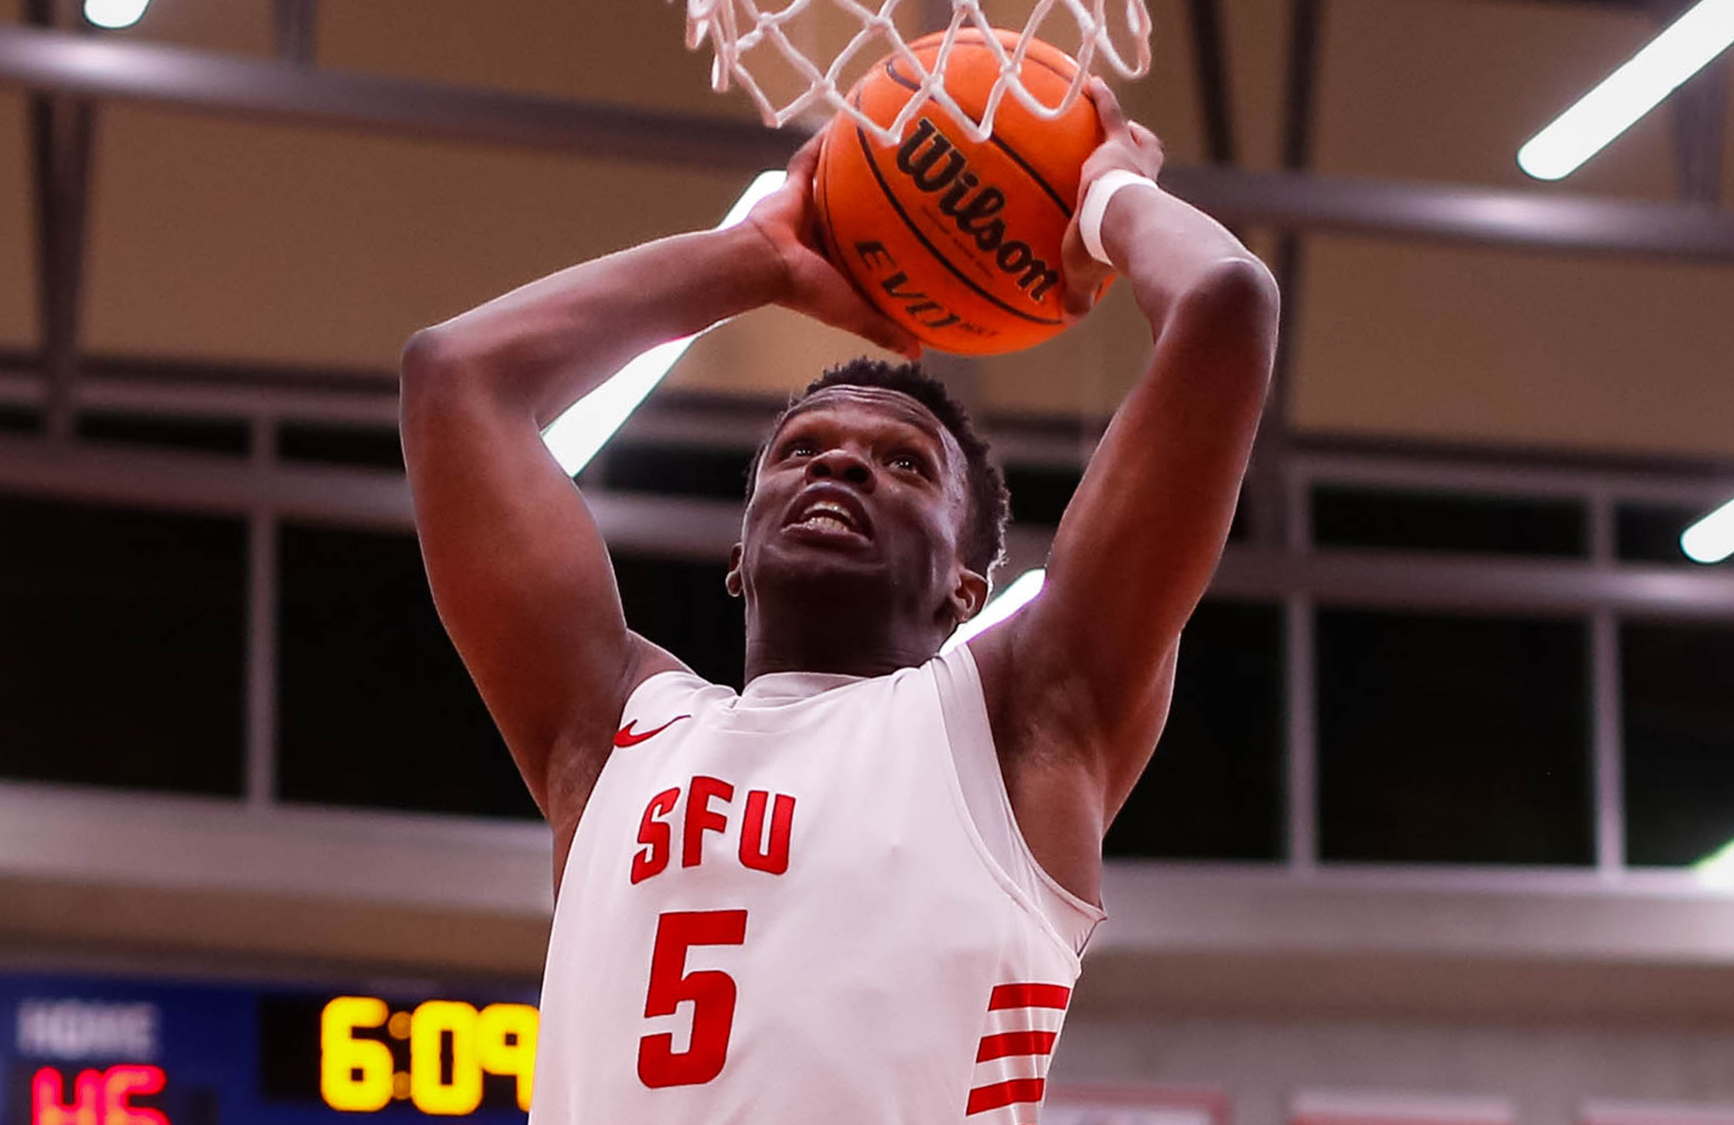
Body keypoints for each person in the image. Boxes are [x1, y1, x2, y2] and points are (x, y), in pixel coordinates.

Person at [399, 81, 1278, 1125]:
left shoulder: (1020, 721)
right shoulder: (612, 728)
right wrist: (759, 256)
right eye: (800, 451)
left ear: (965, 580)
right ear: (739, 553)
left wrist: (1108, 193)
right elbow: (453, 377)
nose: (840, 467)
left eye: (901, 464)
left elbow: (1224, 302)